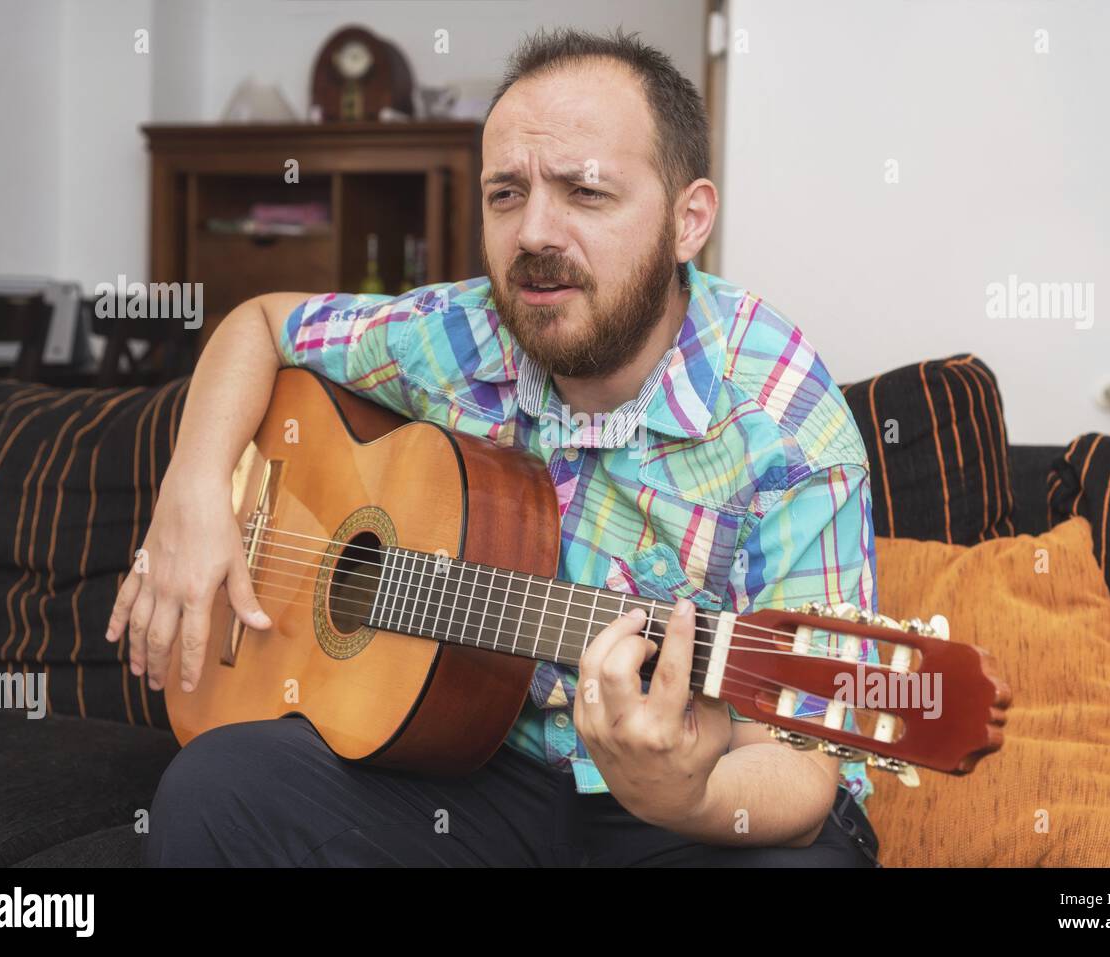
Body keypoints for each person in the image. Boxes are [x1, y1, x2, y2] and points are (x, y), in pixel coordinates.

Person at [110, 26, 882, 867]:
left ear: (688, 219)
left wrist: (683, 793)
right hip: (474, 769)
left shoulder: (787, 420)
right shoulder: (457, 332)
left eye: (585, 193)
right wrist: (191, 492)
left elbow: (809, 770)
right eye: (506, 194)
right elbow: (257, 324)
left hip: (689, 802)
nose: (533, 234)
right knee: (212, 790)